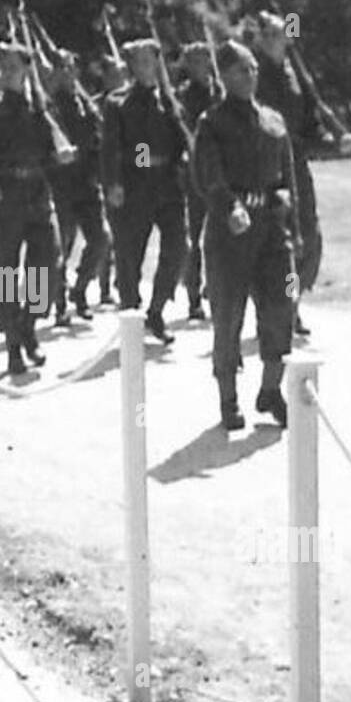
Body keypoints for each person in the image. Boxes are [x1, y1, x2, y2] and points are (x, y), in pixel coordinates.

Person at [192, 39, 298, 429]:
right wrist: (228, 207)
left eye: (253, 67)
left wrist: (294, 222)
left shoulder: (274, 121)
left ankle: (270, 390)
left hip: (272, 229)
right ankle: (228, 400)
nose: (250, 75)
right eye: (241, 69)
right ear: (224, 76)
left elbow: (290, 178)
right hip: (230, 233)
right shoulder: (212, 122)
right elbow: (208, 173)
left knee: (281, 306)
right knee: (228, 315)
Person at [251, 12, 351, 336]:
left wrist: (335, 142)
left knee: (309, 238)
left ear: (286, 39)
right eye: (264, 34)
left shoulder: (295, 77)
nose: (268, 39)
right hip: (265, 168)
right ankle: (273, 308)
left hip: (296, 166)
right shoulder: (252, 75)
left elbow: (311, 125)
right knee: (273, 243)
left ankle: (291, 304)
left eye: (275, 34)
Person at [0, 41, 64, 376]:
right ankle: (13, 345)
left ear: (26, 70)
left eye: (14, 66)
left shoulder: (39, 112)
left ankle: (28, 323)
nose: (7, 73)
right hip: (6, 197)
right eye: (3, 67)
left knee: (47, 269)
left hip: (37, 196)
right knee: (4, 275)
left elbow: (51, 153)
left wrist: (60, 158)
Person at [100, 38, 188, 344]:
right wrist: (114, 182)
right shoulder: (119, 102)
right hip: (134, 187)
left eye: (150, 60)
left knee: (178, 247)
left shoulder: (169, 100)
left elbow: (182, 140)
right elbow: (111, 147)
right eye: (138, 62)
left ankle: (157, 309)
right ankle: (131, 315)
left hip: (167, 186)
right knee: (129, 257)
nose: (145, 67)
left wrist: (187, 160)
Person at [45, 49, 108, 325]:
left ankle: (80, 290)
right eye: (63, 68)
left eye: (72, 68)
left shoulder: (87, 105)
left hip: (86, 182)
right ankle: (57, 302)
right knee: (62, 245)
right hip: (60, 184)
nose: (69, 74)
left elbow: (101, 141)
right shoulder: (47, 106)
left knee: (101, 238)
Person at [176, 42, 223, 321]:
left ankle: (34, 313)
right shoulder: (182, 97)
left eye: (203, 60)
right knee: (15, 263)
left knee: (44, 257)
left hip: (36, 195)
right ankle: (23, 321)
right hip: (25, 195)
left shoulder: (220, 93)